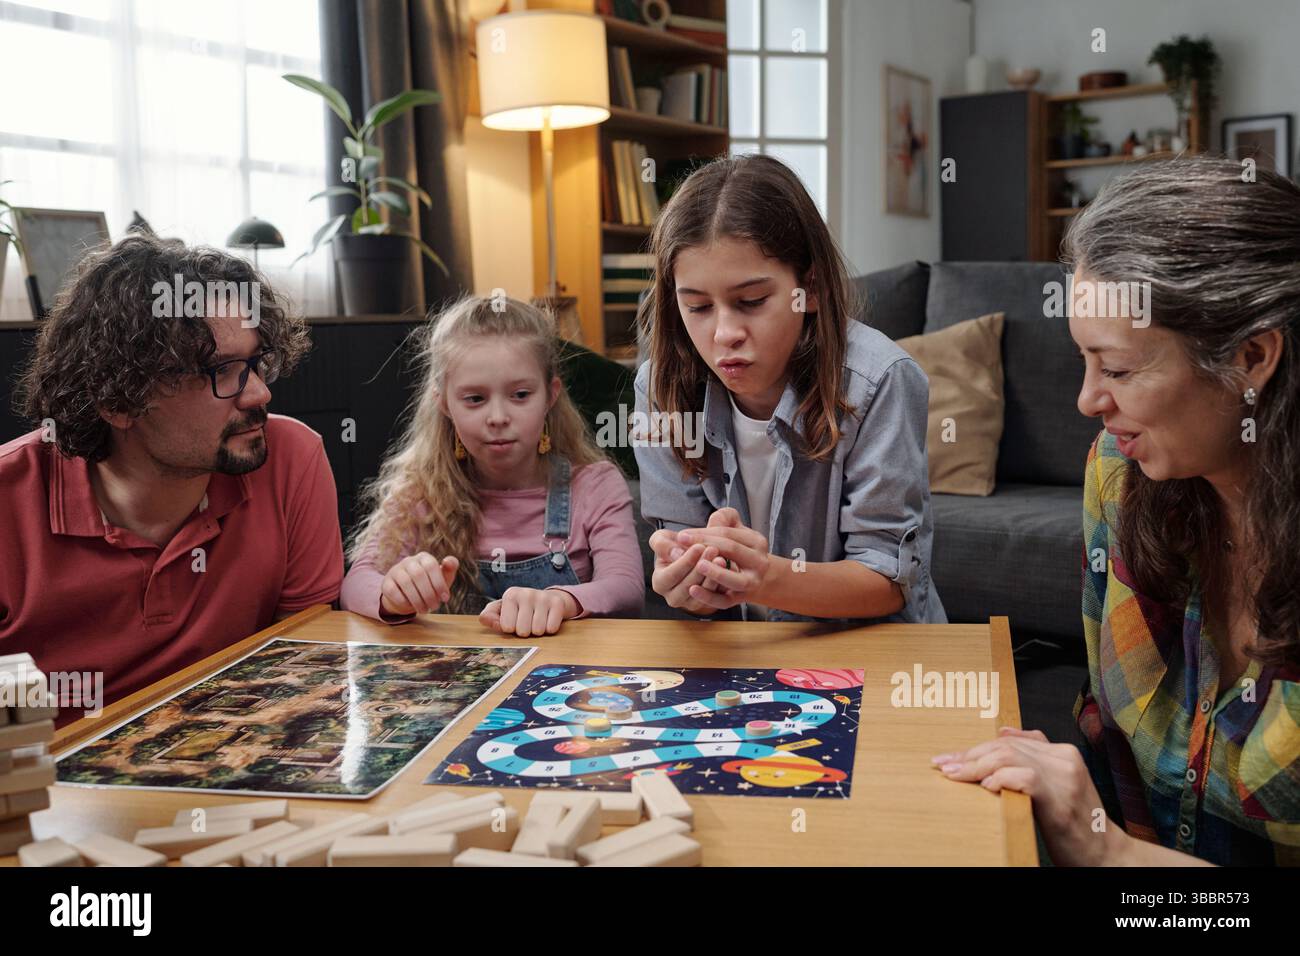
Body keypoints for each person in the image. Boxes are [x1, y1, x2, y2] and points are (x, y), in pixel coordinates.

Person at [935, 158, 1300, 865]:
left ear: (1252, 357)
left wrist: (1113, 857)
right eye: (1082, 360)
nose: (1087, 400)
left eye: (1120, 368)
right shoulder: (1120, 471)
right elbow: (1109, 739)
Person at [0, 234, 343, 723]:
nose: (260, 394)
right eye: (223, 372)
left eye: (255, 363)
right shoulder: (9, 501)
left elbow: (304, 672)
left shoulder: (291, 460)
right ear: (118, 401)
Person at [634, 153, 945, 624]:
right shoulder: (660, 389)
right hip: (742, 662)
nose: (724, 334)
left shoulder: (881, 379)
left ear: (812, 287)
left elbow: (888, 581)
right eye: (697, 307)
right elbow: (686, 579)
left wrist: (765, 578)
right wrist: (687, 582)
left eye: (751, 301)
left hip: (870, 655)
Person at [341, 295, 643, 636]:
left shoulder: (595, 485)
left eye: (520, 395)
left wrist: (562, 601)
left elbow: (627, 589)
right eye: (475, 399)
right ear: (443, 404)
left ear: (551, 394)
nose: (498, 418)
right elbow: (355, 584)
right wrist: (392, 595)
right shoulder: (419, 488)